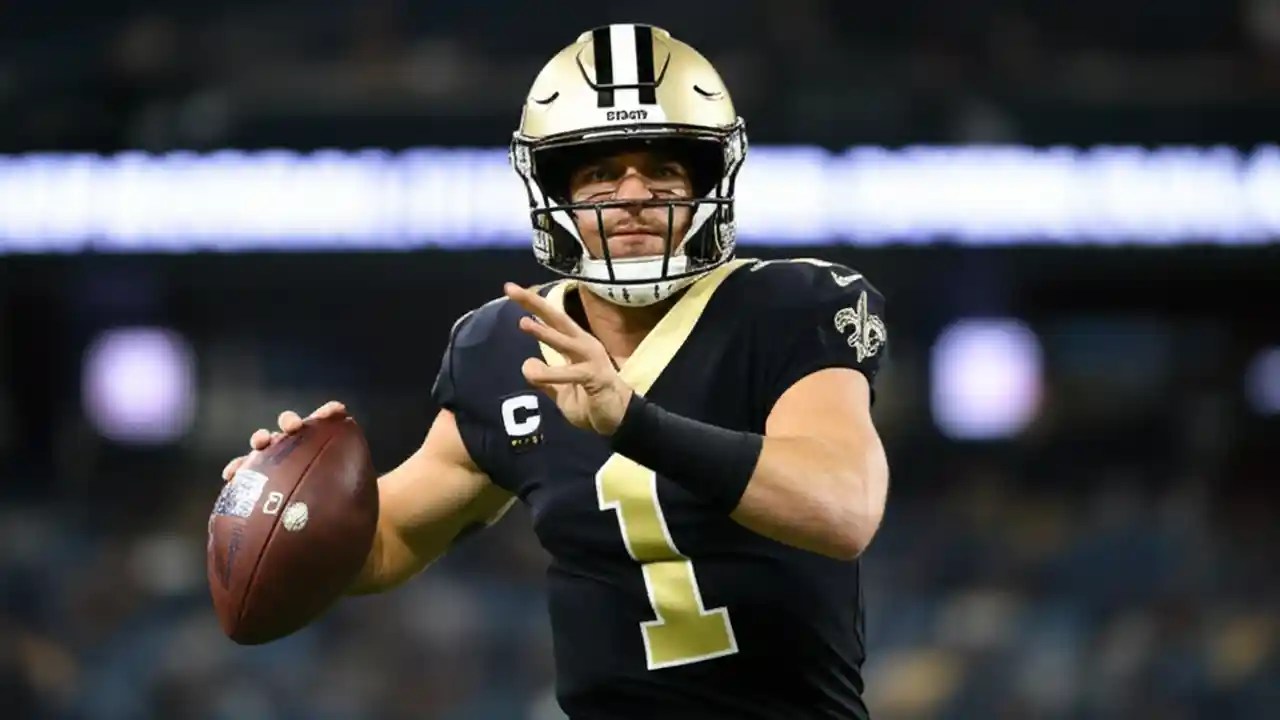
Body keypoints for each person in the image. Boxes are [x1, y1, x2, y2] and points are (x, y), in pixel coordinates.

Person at [221, 24, 890, 719]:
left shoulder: (792, 307)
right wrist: (287, 508)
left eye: (663, 169)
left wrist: (632, 422)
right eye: (600, 173)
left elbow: (841, 509)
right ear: (554, 191)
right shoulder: (500, 346)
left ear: (707, 182)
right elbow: (391, 543)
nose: (633, 194)